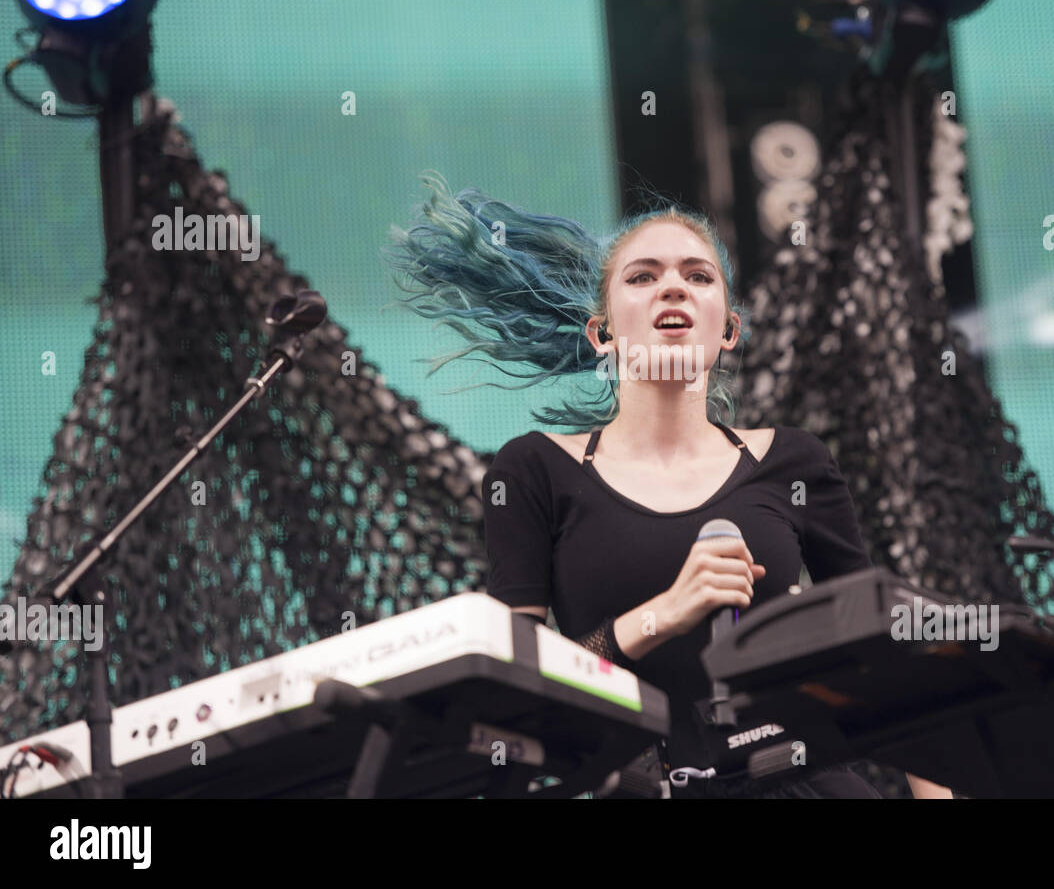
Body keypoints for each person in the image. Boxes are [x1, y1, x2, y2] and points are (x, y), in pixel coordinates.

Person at [383, 173, 953, 799]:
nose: (674, 287)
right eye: (643, 277)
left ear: (729, 331)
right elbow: (520, 691)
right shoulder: (534, 470)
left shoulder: (795, 462)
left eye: (698, 276)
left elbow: (886, 662)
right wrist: (661, 615)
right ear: (602, 334)